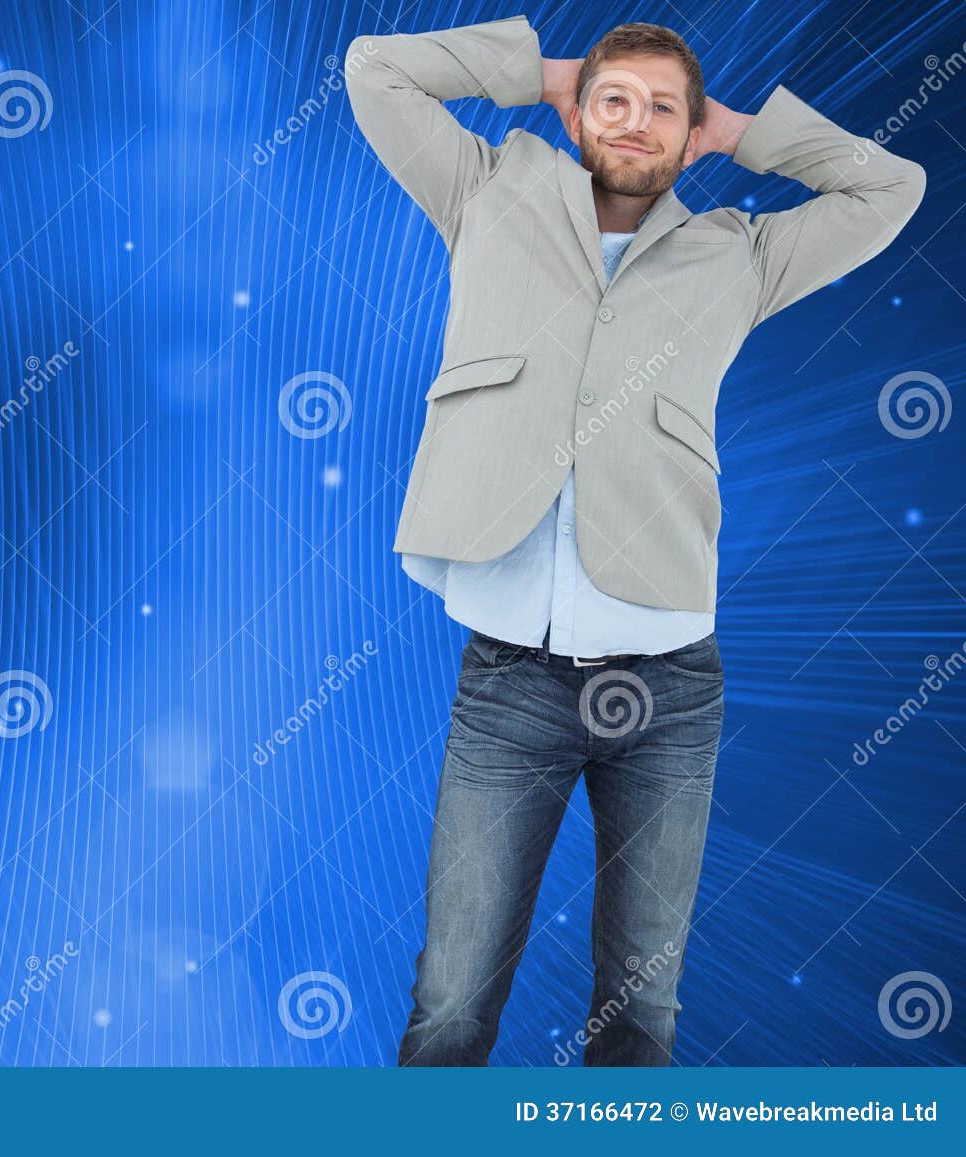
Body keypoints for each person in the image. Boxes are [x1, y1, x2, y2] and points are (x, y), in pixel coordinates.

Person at [344, 15, 925, 1065]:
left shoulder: (738, 253)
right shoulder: (486, 189)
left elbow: (891, 189)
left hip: (670, 685)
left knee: (640, 1014)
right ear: (578, 111)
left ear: (689, 128)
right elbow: (373, 69)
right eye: (615, 99)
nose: (637, 121)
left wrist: (740, 131)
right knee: (449, 1003)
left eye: (665, 107)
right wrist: (548, 73)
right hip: (507, 683)